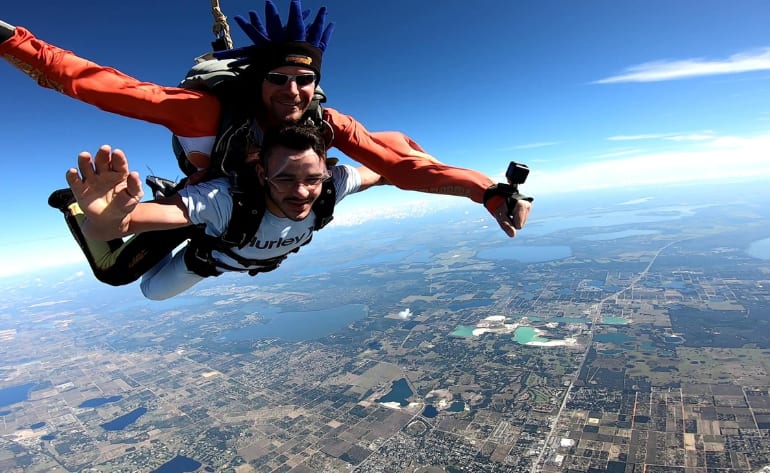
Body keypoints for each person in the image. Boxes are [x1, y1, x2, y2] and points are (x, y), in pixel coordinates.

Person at [0, 1, 531, 237]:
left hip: (275, 188)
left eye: (305, 81)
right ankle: (87, 215)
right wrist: (12, 42)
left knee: (393, 142)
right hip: (212, 189)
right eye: (279, 79)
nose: (293, 92)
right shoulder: (202, 111)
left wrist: (484, 190)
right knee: (134, 268)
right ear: (258, 81)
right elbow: (97, 82)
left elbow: (403, 166)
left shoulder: (328, 123)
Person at [69, 123, 386, 300]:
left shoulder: (332, 187)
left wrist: (432, 176)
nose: (302, 192)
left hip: (213, 245)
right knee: (119, 276)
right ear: (262, 175)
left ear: (324, 175)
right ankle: (72, 208)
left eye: (312, 179)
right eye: (285, 179)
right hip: (205, 234)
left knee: (151, 291)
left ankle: (177, 205)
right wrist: (104, 218)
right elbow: (115, 228)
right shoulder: (222, 201)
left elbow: (385, 172)